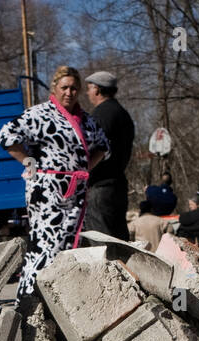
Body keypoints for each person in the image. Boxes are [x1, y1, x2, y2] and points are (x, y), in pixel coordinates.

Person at [0, 65, 109, 303]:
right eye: (64, 87)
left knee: (70, 245)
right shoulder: (39, 114)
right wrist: (30, 164)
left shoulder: (86, 120)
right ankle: (29, 299)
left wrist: (84, 169)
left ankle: (61, 299)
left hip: (76, 192)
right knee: (44, 244)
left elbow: (103, 146)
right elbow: (7, 136)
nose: (69, 92)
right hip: (46, 191)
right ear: (55, 88)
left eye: (74, 88)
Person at [81, 70, 134, 239]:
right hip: (117, 184)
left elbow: (91, 147)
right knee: (119, 239)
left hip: (101, 187)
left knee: (101, 241)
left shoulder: (101, 114)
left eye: (89, 88)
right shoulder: (122, 113)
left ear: (97, 89)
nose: (87, 92)